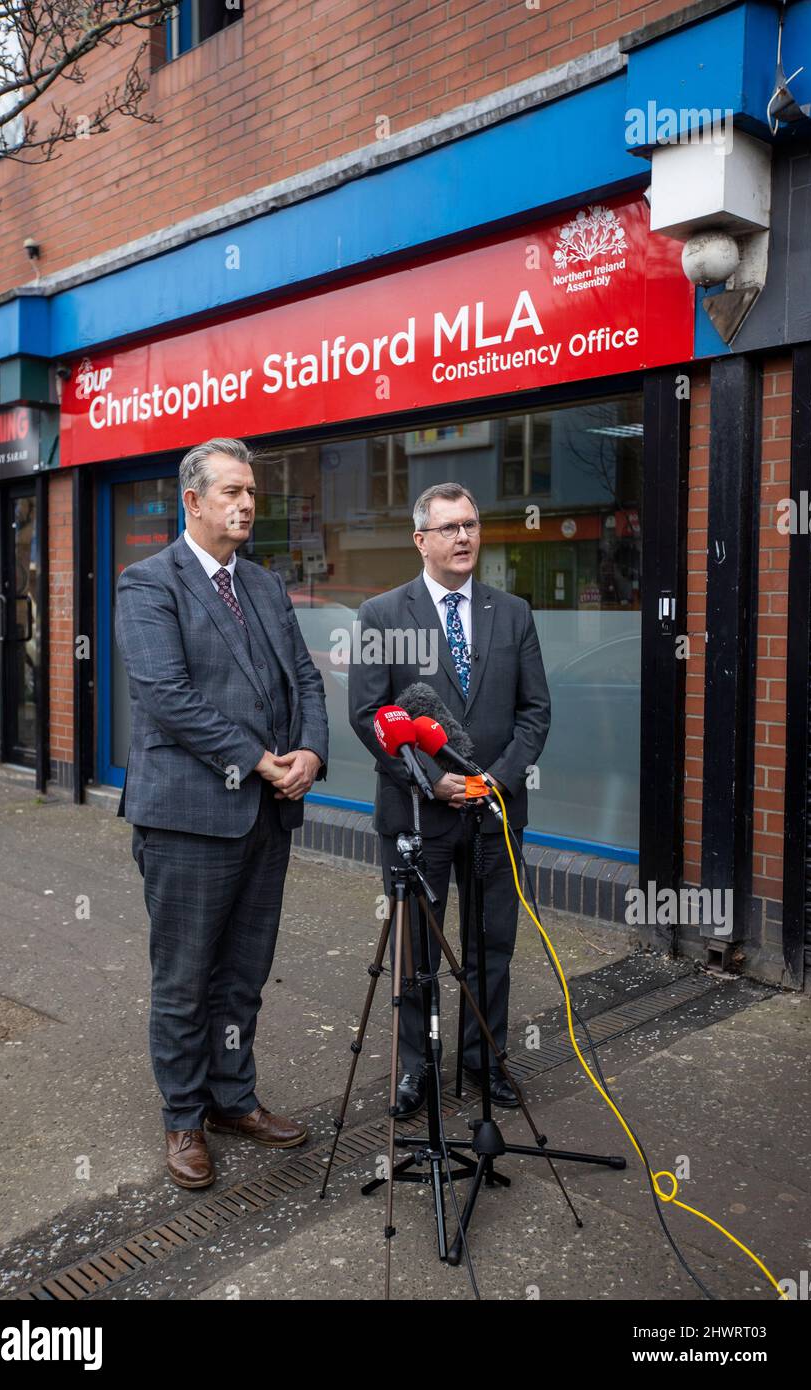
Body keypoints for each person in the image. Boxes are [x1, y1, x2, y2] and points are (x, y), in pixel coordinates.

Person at [115, 437, 328, 1188]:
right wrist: (258, 758)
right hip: (188, 820)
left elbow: (304, 678)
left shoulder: (265, 586)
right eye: (231, 492)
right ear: (193, 501)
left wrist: (309, 753)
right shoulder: (148, 584)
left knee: (242, 975)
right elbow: (167, 698)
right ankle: (183, 1118)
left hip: (266, 819)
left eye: (251, 494)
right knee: (185, 978)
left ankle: (232, 1098)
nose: (245, 505)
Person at [349, 482, 550, 1116]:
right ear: (421, 541)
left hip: (494, 812)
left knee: (492, 945)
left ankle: (485, 1061)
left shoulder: (512, 612)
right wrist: (429, 780)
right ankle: (416, 1070)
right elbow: (368, 715)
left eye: (471, 525)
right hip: (419, 814)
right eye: (449, 528)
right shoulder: (381, 615)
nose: (463, 537)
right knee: (416, 952)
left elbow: (535, 713)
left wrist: (496, 779)